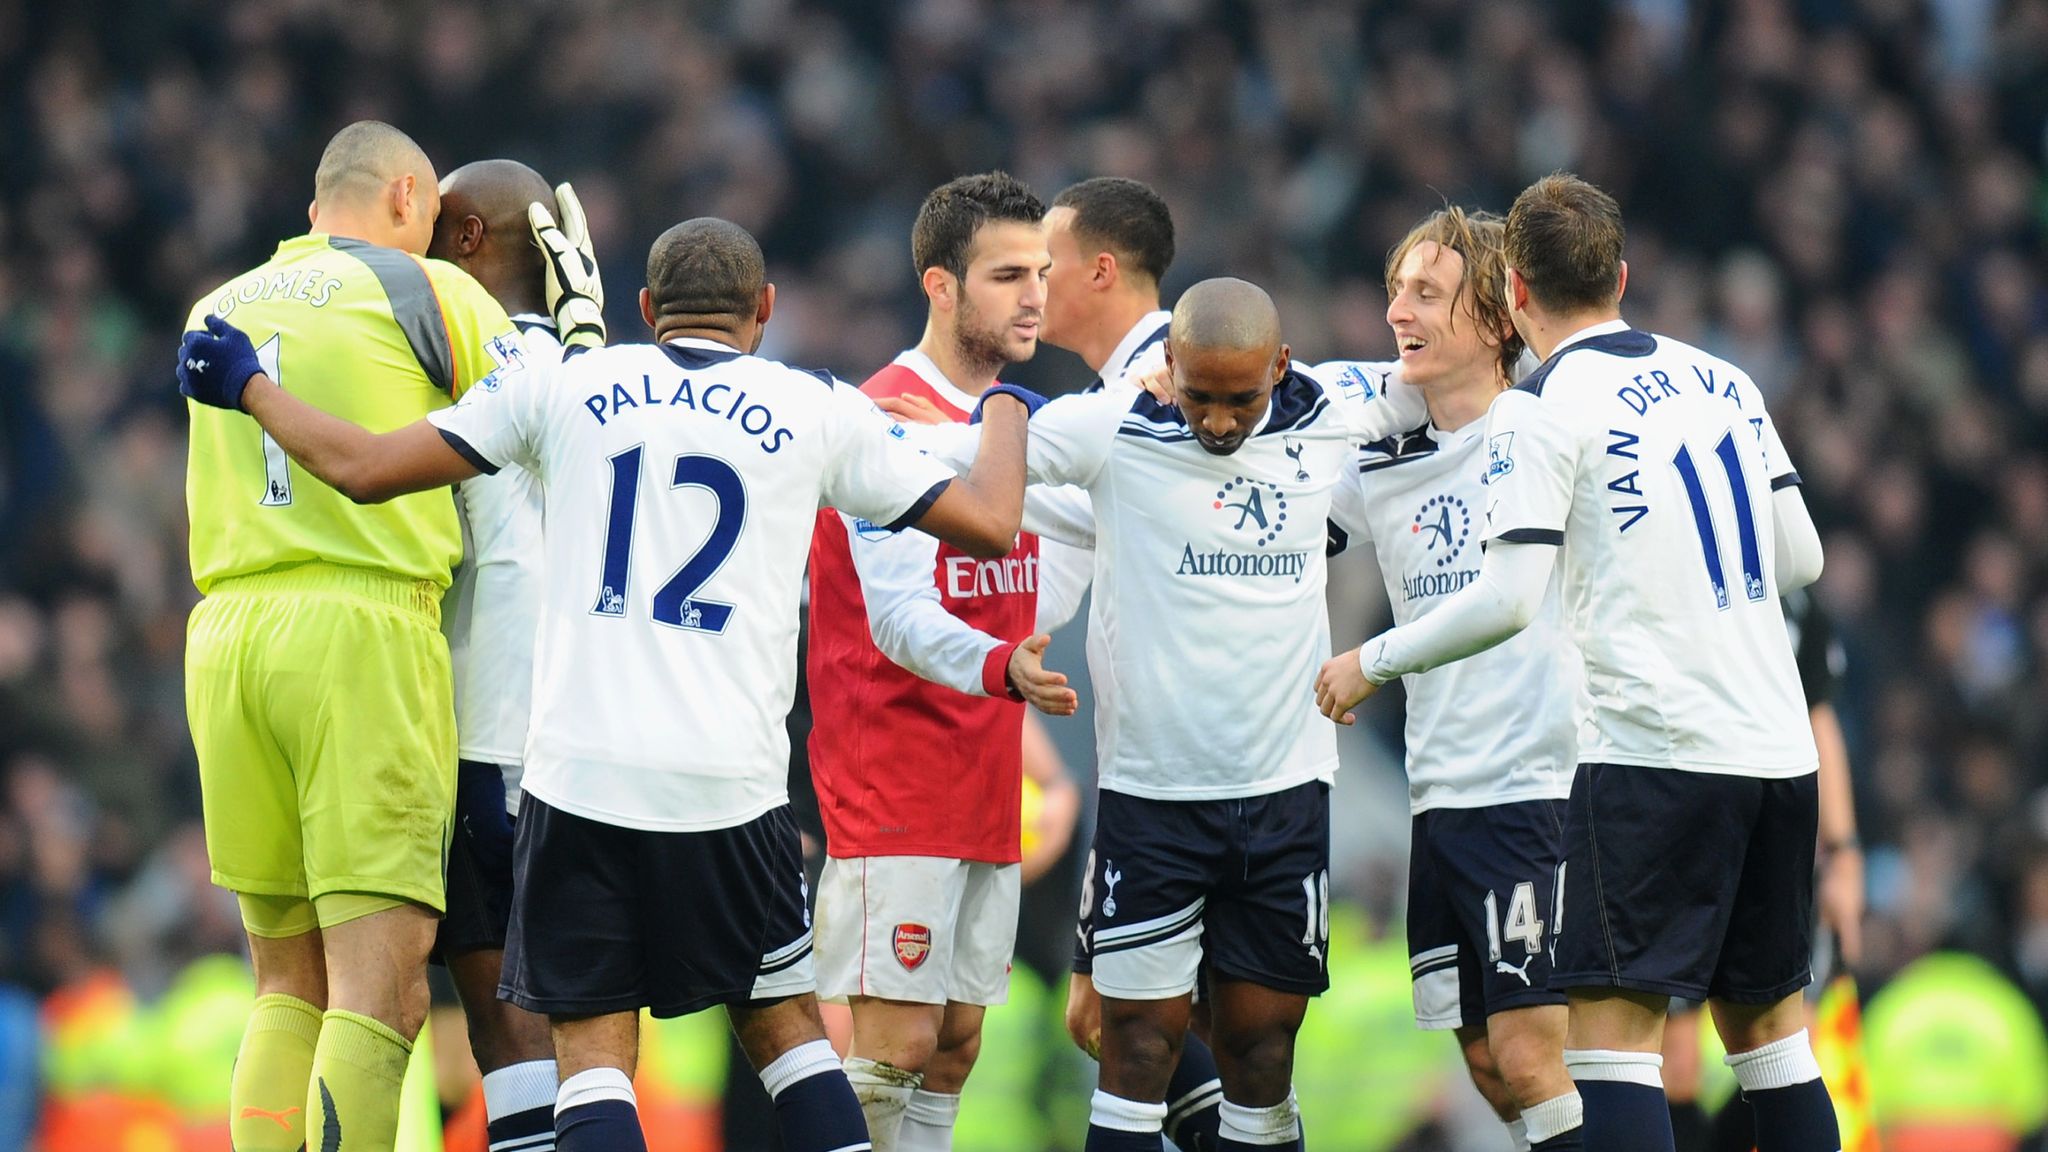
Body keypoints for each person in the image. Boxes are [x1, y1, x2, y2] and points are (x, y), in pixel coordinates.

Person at [176, 216, 1039, 1152]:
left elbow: (367, 469)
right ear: (763, 310)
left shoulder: (564, 386)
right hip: (731, 786)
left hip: (581, 785)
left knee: (591, 1059)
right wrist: (1006, 407)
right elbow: (993, 521)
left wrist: (250, 386)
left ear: (646, 309)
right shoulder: (815, 406)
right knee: (790, 1039)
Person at [1313, 173, 1834, 1152]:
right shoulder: (1723, 378)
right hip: (1772, 746)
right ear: (1620, 276)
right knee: (1771, 1043)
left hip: (1647, 751)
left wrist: (1371, 662)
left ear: (1512, 294)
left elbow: (1510, 597)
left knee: (1610, 1050)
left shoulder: (1540, 406)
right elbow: (1799, 557)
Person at [918, 277, 1427, 1152]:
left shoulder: (1335, 404)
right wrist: (958, 415)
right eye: (1199, 396)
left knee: (1261, 1056)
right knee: (1138, 1049)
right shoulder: (1115, 423)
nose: (1220, 422)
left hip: (1284, 796)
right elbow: (956, 454)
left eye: (1242, 399)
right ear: (1167, 367)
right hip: (1154, 803)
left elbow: (1451, 381)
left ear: (1281, 366)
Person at [179, 120, 528, 1152]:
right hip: (362, 631)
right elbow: (546, 413)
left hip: (228, 637)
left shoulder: (216, 305)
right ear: (407, 194)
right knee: (381, 993)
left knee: (285, 985)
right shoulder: (428, 289)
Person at [805, 170, 1076, 1152]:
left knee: (956, 1044)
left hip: (984, 773)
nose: (1033, 296)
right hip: (893, 774)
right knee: (897, 1041)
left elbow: (1040, 584)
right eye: (1007, 276)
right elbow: (900, 619)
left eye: (1040, 273)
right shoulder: (882, 416)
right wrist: (1004, 668)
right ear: (940, 285)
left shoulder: (1013, 424)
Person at [1317, 206, 1583, 1152]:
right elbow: (1281, 529)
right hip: (1442, 794)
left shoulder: (1542, 434)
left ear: (1499, 316)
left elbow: (1513, 599)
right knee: (1484, 1058)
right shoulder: (1382, 463)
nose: (1400, 311)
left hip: (1539, 784)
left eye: (1428, 293)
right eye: (1397, 291)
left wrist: (1371, 662)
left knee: (1530, 1052)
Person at [423, 157, 600, 1152]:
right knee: (592, 1024)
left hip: (493, 733)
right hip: (596, 736)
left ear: (468, 239)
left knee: (507, 1024)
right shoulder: (601, 372)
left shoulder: (467, 371)